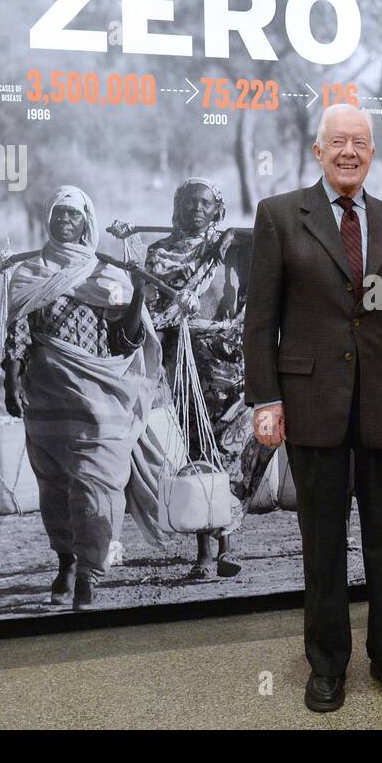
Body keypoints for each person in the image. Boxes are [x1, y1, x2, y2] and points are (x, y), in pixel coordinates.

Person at [244, 103, 382, 712]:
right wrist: (267, 399)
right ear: (318, 150)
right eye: (338, 142)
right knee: (322, 544)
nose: (349, 151)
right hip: (311, 407)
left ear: (372, 153)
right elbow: (260, 321)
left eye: (360, 141)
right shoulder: (279, 217)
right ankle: (326, 667)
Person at [0, 186, 163, 611]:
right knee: (54, 483)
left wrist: (139, 291)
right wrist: (11, 381)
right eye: (58, 214)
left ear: (86, 221)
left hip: (97, 394)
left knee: (96, 481)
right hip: (46, 393)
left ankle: (90, 572)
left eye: (73, 215)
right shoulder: (30, 273)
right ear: (49, 220)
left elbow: (125, 339)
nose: (64, 222)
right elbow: (17, 332)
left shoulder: (105, 277)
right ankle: (66, 563)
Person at [137, 178, 274, 579]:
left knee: (239, 447)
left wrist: (234, 234)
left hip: (233, 364)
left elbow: (279, 235)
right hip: (185, 363)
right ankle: (208, 551)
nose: (197, 209)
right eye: (190, 203)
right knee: (199, 450)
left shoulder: (233, 249)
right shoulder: (158, 254)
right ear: (177, 209)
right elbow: (153, 313)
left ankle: (226, 533)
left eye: (206, 203)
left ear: (218, 210)